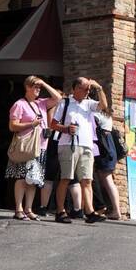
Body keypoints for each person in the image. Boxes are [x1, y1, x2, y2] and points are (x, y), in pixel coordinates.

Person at [53, 76, 109, 224]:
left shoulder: (88, 103)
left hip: (86, 145)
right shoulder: (64, 103)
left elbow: (103, 106)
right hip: (67, 145)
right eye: (85, 89)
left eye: (89, 89)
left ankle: (90, 211)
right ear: (76, 88)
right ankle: (60, 211)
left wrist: (99, 88)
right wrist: (65, 129)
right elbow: (53, 124)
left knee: (87, 180)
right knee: (66, 178)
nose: (87, 92)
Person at [5, 75, 61, 220]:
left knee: (34, 180)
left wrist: (43, 83)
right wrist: (31, 124)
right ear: (27, 87)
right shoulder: (19, 104)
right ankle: (18, 209)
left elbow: (58, 98)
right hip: (26, 147)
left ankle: (29, 209)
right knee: (22, 178)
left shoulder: (41, 103)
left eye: (39, 87)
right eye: (35, 86)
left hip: (41, 147)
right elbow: (12, 126)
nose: (38, 90)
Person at [92, 108, 122, 219]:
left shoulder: (97, 113)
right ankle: (115, 210)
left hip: (105, 147)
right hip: (109, 146)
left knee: (107, 179)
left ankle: (116, 210)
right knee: (106, 179)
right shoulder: (107, 114)